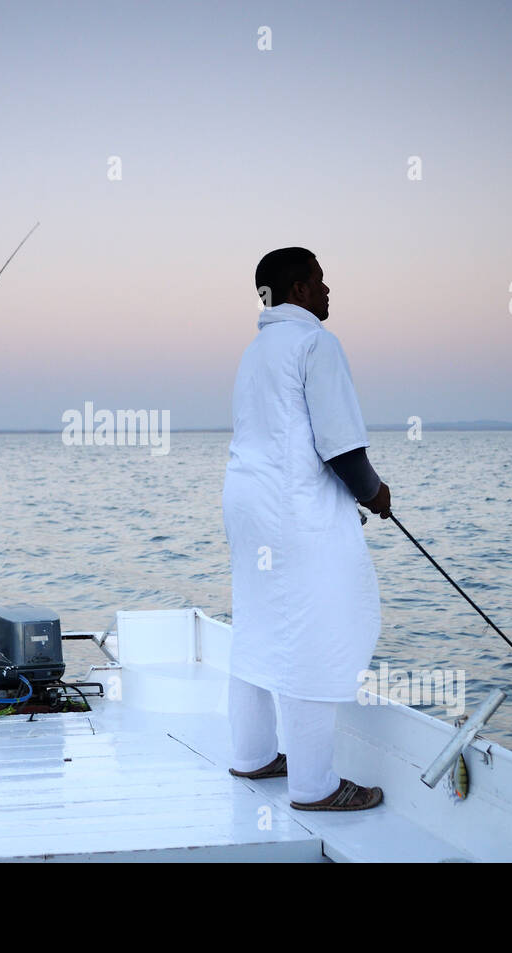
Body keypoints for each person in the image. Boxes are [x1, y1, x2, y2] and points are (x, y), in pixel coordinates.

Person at [222, 247, 392, 811]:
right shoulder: (316, 342)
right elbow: (341, 444)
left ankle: (252, 755)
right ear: (297, 288)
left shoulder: (255, 350)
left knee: (258, 624)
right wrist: (375, 494)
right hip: (293, 512)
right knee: (313, 631)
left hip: (247, 508)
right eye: (320, 281)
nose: (327, 291)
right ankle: (315, 786)